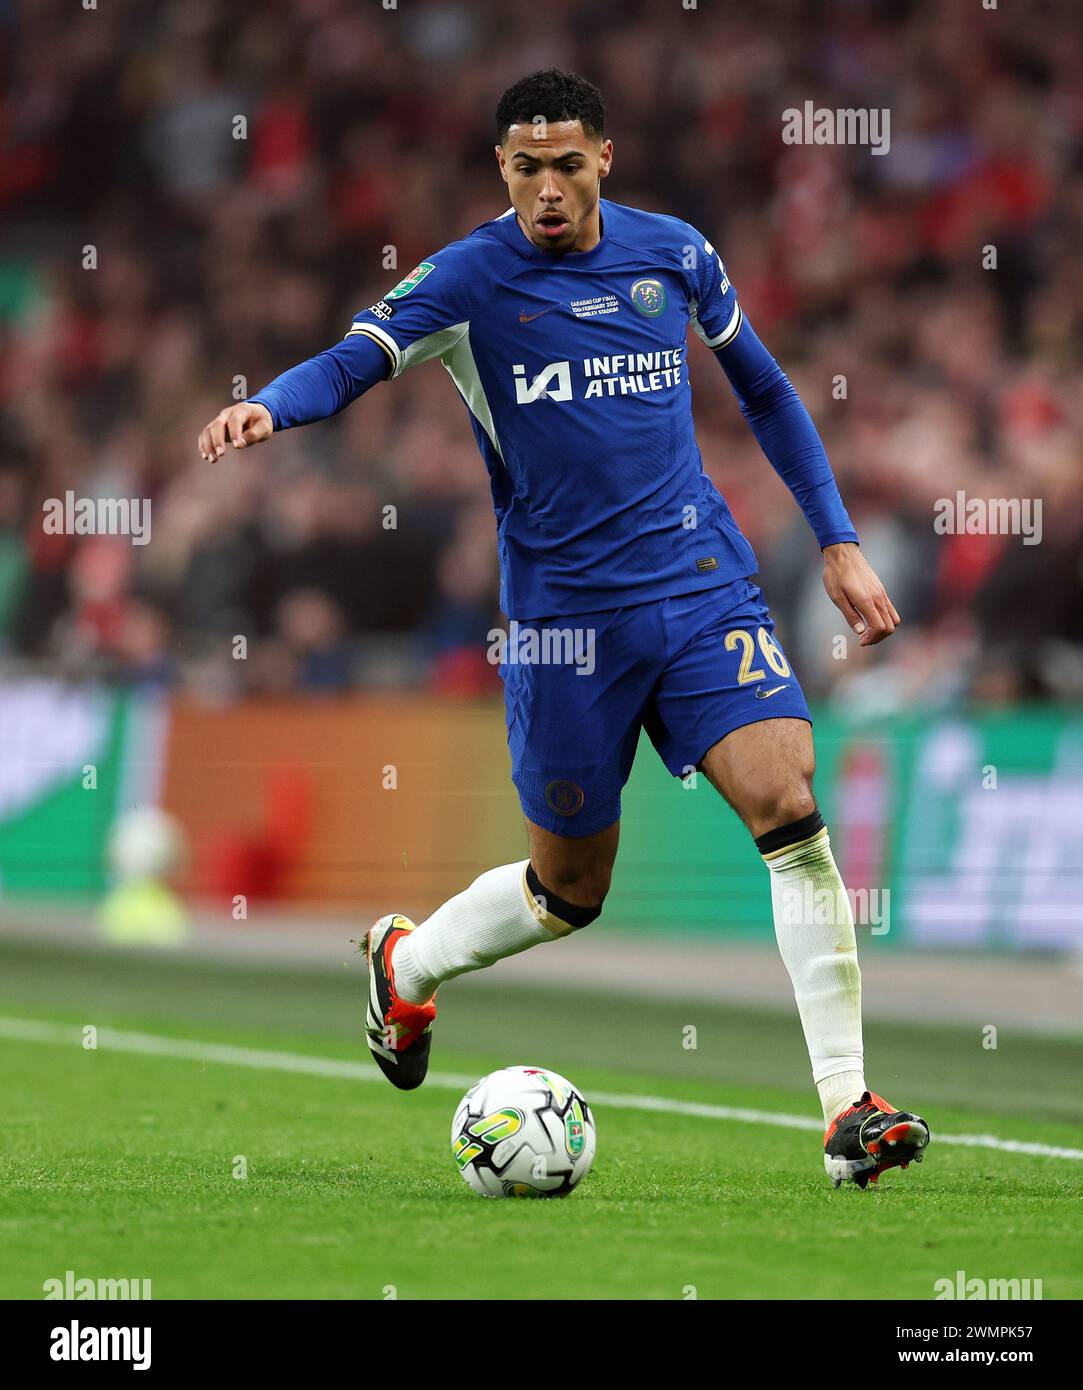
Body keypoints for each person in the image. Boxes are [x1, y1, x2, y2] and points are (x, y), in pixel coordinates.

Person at [198, 69, 929, 1188]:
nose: (549, 188)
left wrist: (834, 539)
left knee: (790, 804)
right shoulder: (467, 280)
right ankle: (410, 962)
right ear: (503, 168)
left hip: (701, 588)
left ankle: (848, 1107)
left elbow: (771, 395)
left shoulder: (673, 253)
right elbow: (354, 361)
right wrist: (271, 405)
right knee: (568, 890)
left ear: (605, 159)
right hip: (563, 627)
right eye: (527, 167)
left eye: (568, 164)